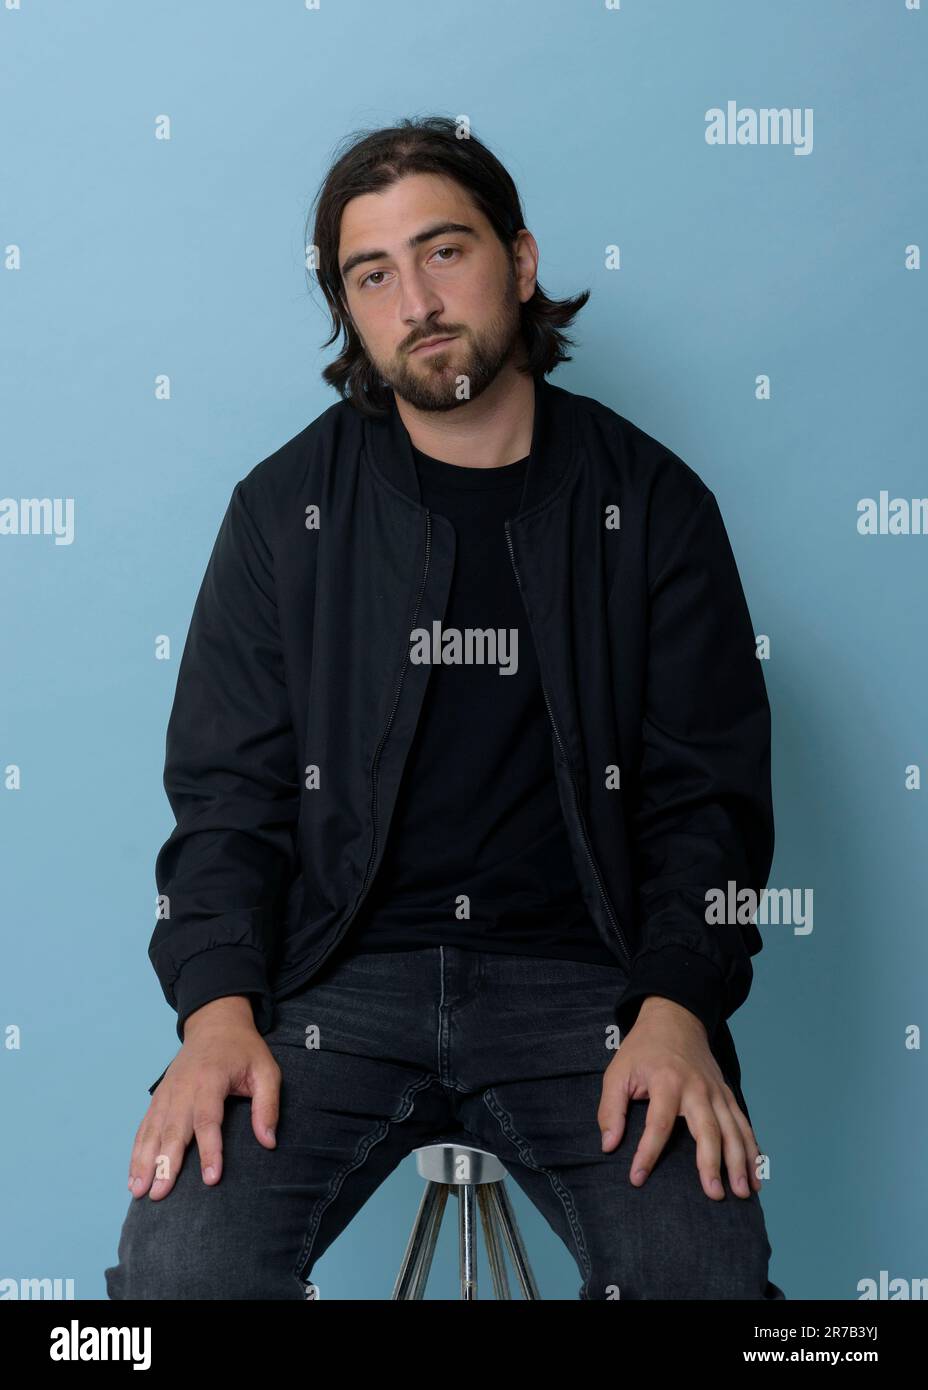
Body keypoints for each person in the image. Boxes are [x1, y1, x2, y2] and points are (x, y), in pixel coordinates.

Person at [105, 115, 785, 1300]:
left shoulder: (655, 506)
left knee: (699, 1275)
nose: (414, 298)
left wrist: (676, 1006)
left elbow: (707, 806)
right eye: (372, 274)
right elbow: (224, 801)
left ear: (518, 263)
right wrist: (214, 1010)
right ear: (349, 309)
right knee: (181, 1271)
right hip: (336, 986)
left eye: (444, 252)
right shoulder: (282, 514)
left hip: (593, 989)